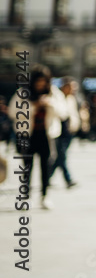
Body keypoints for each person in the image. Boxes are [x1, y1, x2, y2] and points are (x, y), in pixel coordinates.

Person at [8, 66, 66, 210]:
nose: (40, 84)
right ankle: (25, 197)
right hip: (27, 135)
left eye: (43, 81)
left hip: (47, 135)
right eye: (38, 81)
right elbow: (12, 112)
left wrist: (50, 104)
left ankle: (45, 196)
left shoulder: (54, 93)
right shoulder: (22, 93)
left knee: (46, 167)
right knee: (26, 168)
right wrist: (33, 106)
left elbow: (63, 113)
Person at [51, 77, 81, 189]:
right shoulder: (58, 97)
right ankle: (68, 179)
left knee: (60, 156)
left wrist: (76, 126)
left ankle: (47, 177)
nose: (74, 90)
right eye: (72, 87)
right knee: (61, 155)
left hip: (70, 131)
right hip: (59, 130)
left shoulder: (71, 99)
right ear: (65, 86)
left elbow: (74, 114)